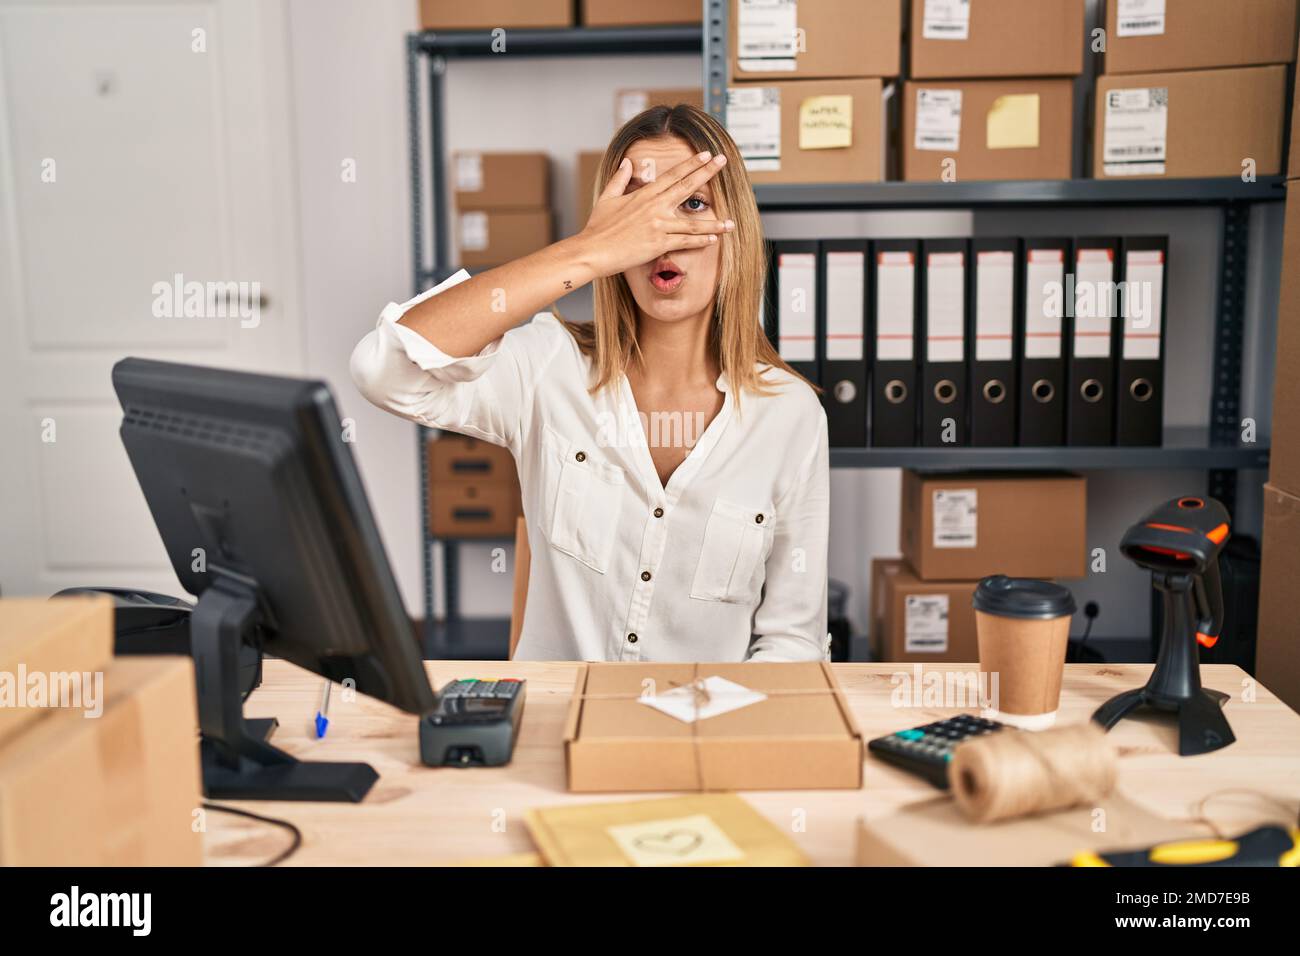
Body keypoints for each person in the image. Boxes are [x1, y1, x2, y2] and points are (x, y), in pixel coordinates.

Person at [351, 104, 829, 662]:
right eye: (637, 211)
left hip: (700, 734)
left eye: (691, 204)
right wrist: (589, 250)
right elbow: (384, 369)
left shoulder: (789, 414)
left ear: (736, 233)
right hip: (555, 730)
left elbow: (793, 639)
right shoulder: (548, 366)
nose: (660, 236)